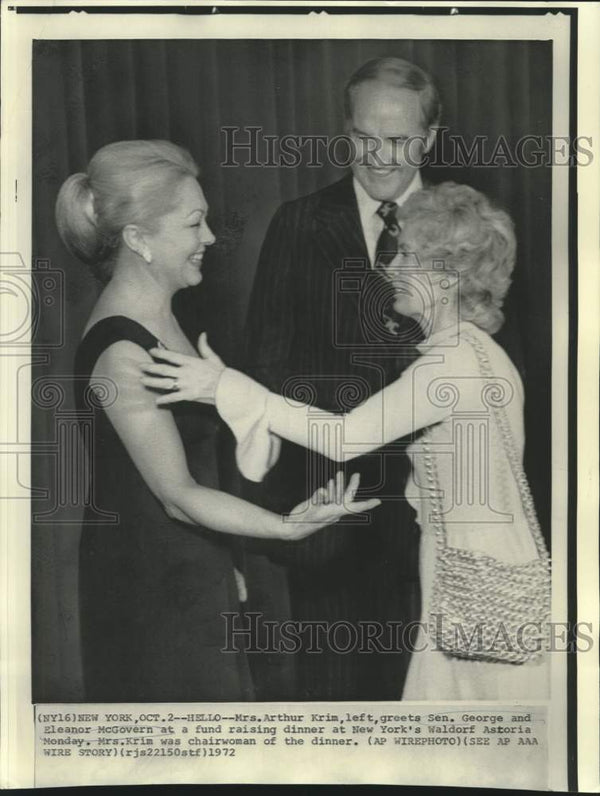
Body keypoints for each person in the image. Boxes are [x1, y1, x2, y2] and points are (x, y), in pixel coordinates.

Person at [141, 181, 550, 700]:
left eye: (408, 255)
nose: (390, 268)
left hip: (476, 583)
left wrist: (227, 388)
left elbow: (345, 438)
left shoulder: (453, 365)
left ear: (447, 277)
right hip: (482, 575)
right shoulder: (475, 352)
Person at [56, 139, 379, 703]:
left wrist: (235, 553)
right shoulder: (123, 351)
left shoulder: (166, 324)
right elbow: (177, 495)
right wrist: (284, 528)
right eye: (194, 224)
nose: (209, 238)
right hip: (150, 589)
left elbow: (216, 459)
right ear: (139, 240)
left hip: (194, 571)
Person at [241, 56, 440, 700]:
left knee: (431, 722)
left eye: (402, 139)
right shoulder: (297, 224)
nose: (381, 156)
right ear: (344, 132)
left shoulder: (468, 229)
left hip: (440, 524)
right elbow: (264, 370)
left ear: (431, 137)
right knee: (335, 716)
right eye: (364, 137)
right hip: (327, 521)